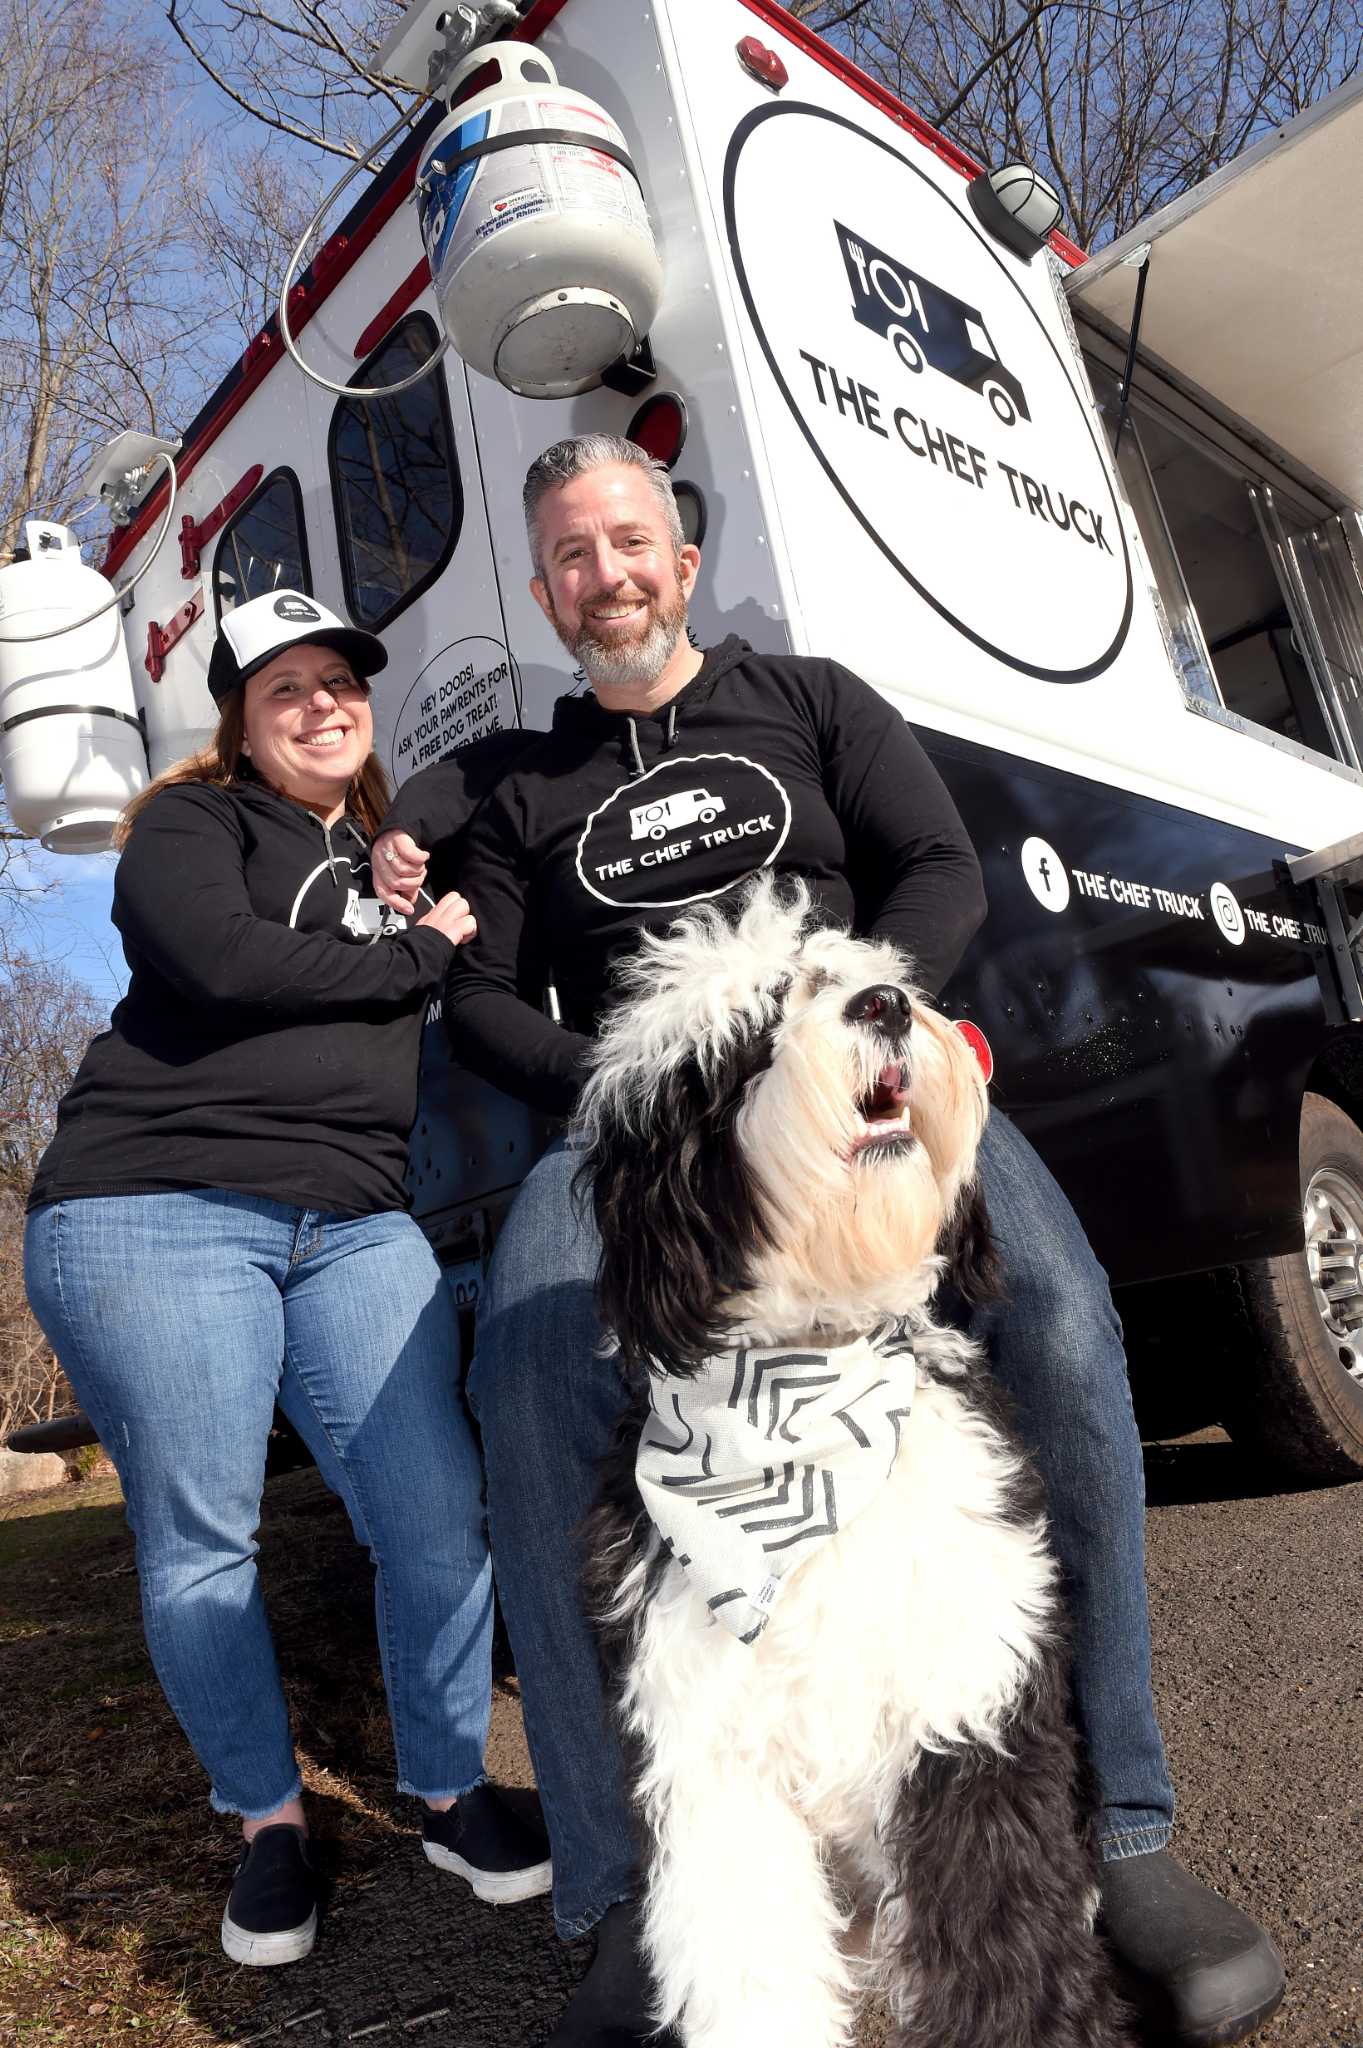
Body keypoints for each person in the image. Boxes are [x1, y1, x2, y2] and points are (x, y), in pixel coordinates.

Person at [374, 438, 1284, 2047]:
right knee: (521, 1374)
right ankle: (616, 1900)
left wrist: (884, 1026)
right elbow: (482, 992)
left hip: (861, 1078)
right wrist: (630, 1089)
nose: (609, 574)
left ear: (682, 551)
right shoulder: (524, 789)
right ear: (543, 591)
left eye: (631, 540)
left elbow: (940, 865)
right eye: (573, 556)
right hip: (645, 1128)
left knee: (1066, 1324)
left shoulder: (811, 703)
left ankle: (1127, 1833)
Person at [23, 590, 550, 1971]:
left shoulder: (394, 860)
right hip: (158, 1205)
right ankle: (265, 1822)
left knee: (438, 1514)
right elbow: (222, 958)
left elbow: (494, 780)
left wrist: (410, 885)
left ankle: (445, 1786)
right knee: (206, 1543)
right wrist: (417, 957)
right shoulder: (195, 826)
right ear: (241, 728)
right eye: (284, 692)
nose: (321, 706)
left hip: (358, 1225)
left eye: (341, 684)